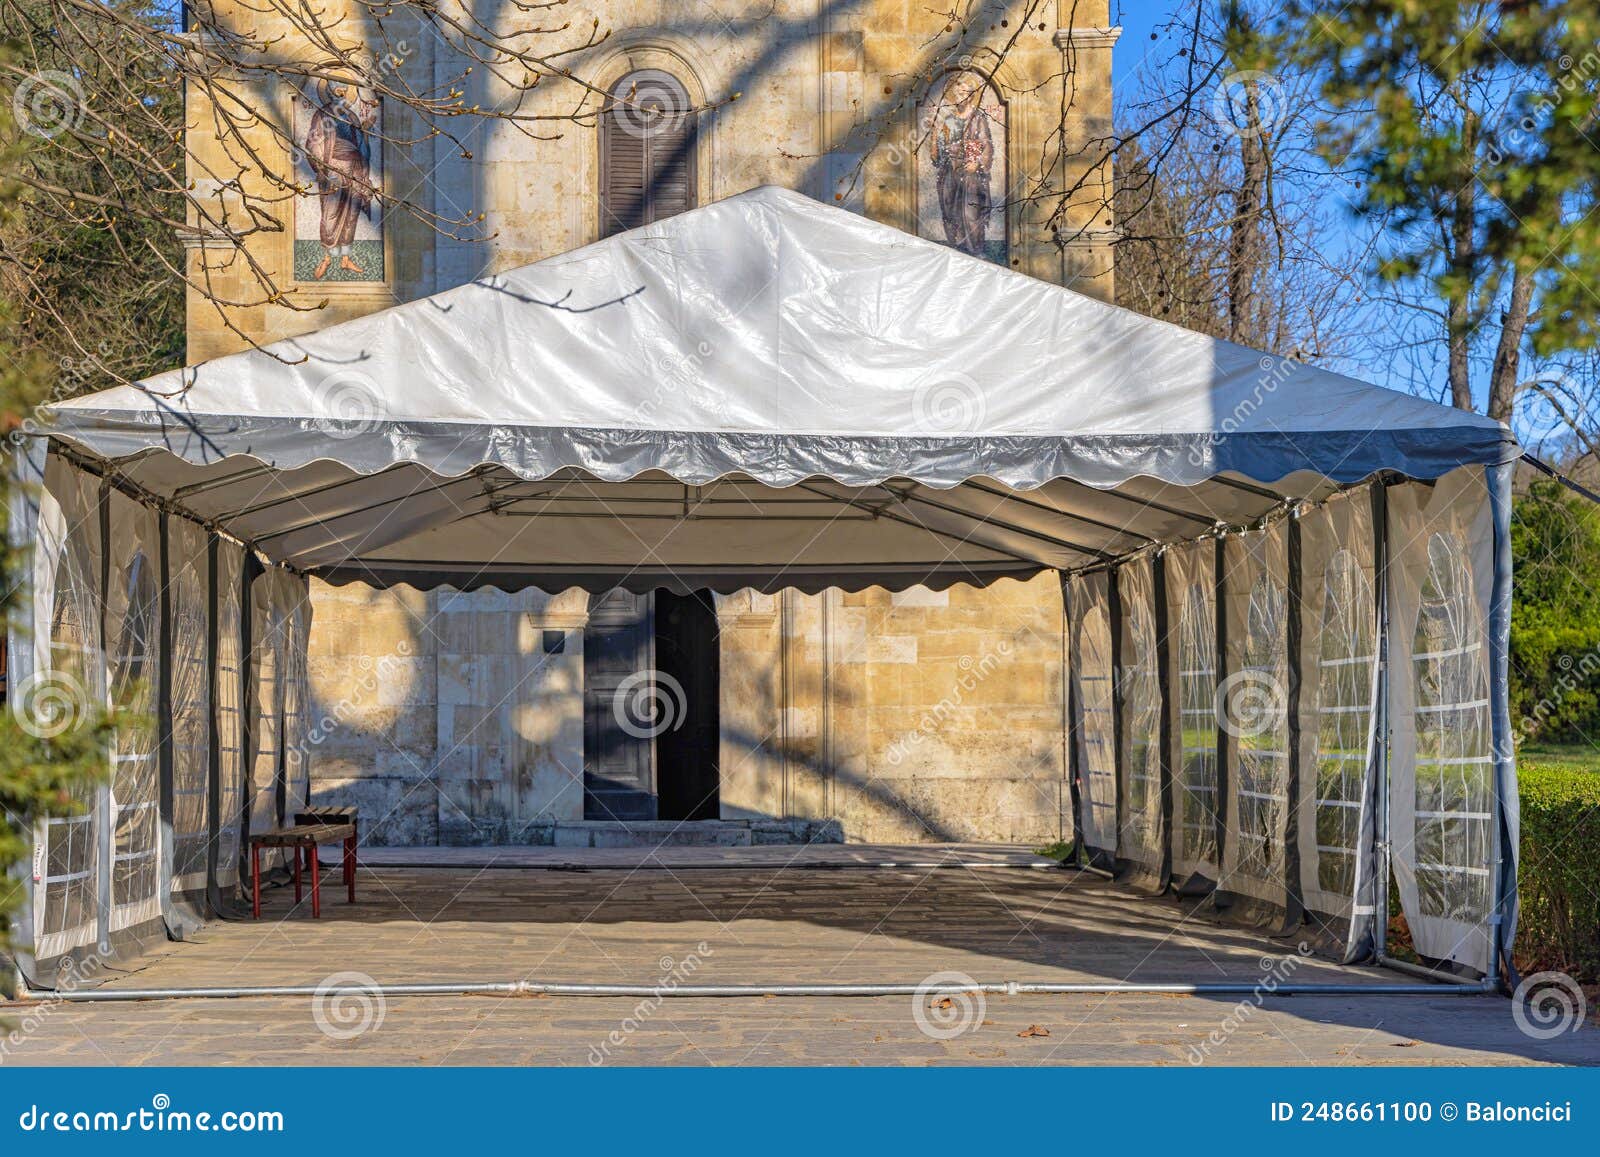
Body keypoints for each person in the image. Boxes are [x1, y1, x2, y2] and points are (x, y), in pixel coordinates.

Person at [303, 79, 379, 279]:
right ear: (329, 92)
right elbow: (313, 143)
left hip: (355, 168)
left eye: (344, 90)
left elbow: (360, 144)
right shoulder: (323, 115)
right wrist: (324, 168)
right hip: (333, 167)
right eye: (338, 90)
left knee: (351, 213)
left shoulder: (351, 115)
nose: (342, 93)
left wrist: (365, 131)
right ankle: (327, 258)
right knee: (331, 214)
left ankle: (345, 258)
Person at [930, 73, 996, 257]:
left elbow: (987, 144)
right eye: (957, 93)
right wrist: (935, 137)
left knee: (971, 213)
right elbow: (937, 155)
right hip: (949, 173)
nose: (960, 96)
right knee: (950, 213)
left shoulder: (977, 118)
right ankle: (956, 252)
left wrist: (977, 163)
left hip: (970, 174)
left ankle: (976, 252)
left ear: (971, 95)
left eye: (964, 92)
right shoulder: (948, 120)